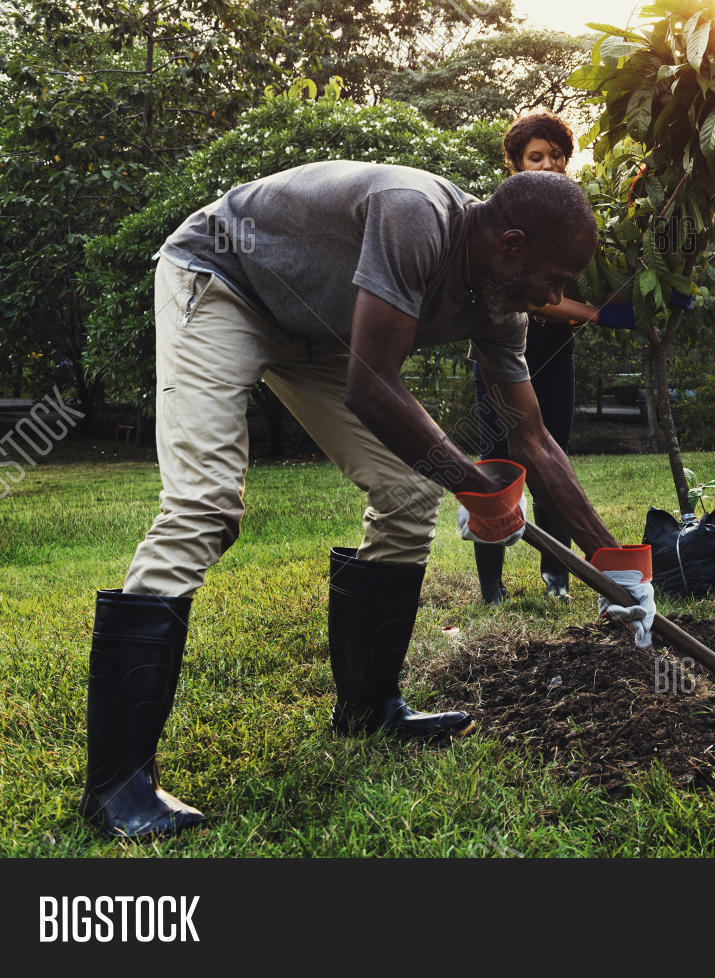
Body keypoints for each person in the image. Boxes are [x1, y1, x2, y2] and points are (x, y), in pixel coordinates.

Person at [82, 161, 657, 838]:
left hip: (314, 328)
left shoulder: (502, 310)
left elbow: (530, 435)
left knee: (407, 491)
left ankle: (368, 709)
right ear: (511, 245)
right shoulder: (415, 215)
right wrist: (475, 486)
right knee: (204, 505)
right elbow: (371, 386)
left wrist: (613, 561)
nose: (555, 297)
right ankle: (117, 787)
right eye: (554, 279)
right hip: (224, 282)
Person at [466, 109, 636, 607]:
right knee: (496, 461)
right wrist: (598, 314)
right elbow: (532, 297)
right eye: (535, 157)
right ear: (516, 164)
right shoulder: (502, 216)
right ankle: (491, 586)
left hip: (555, 349)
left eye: (556, 156)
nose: (548, 165)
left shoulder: (574, 215)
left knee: (553, 455)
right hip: (500, 349)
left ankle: (557, 576)